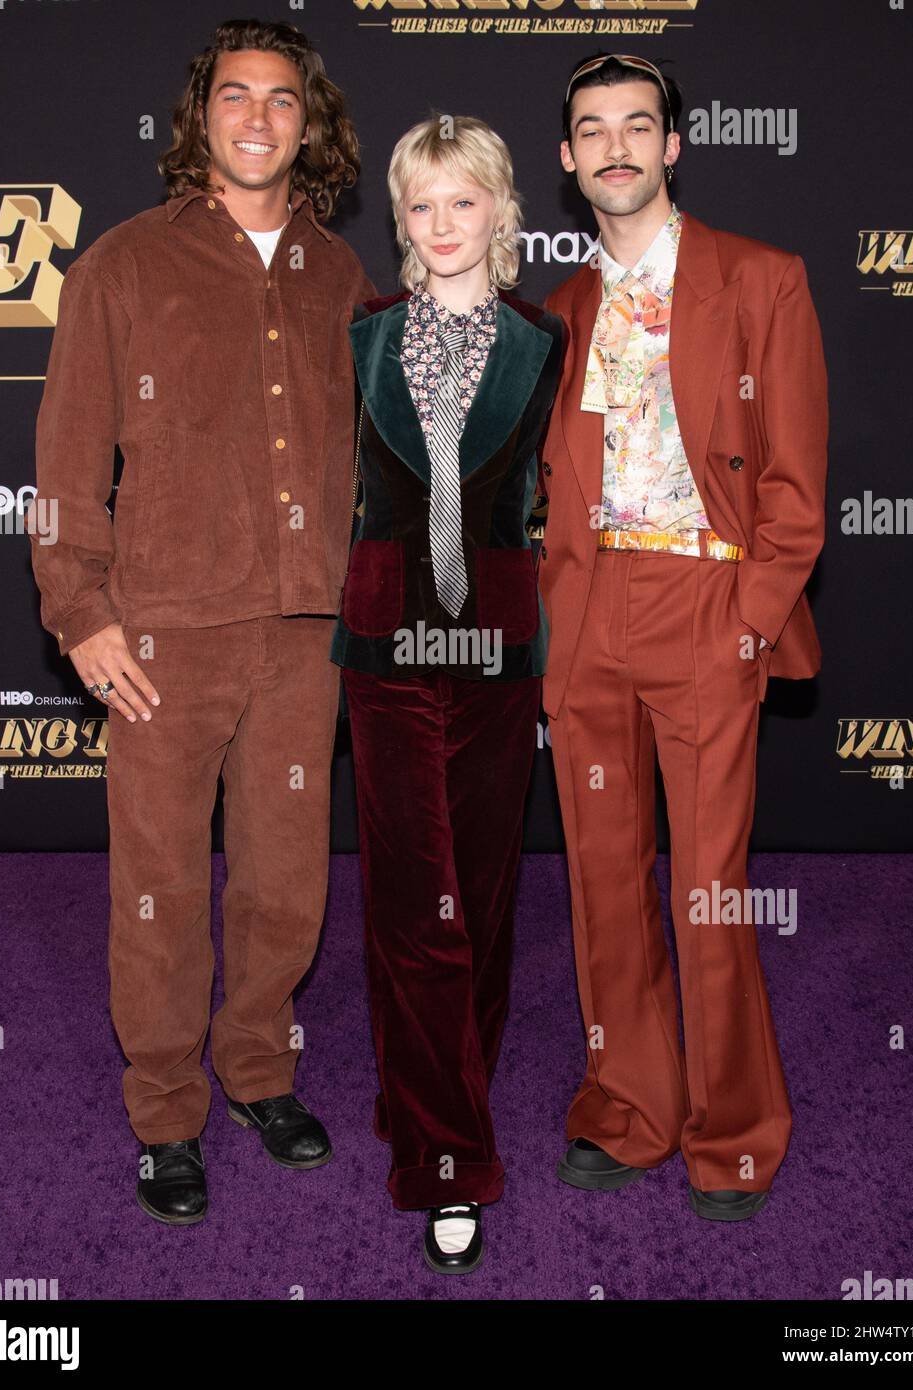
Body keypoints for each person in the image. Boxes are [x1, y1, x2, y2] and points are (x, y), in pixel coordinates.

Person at [28, 19, 376, 1225]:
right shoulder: (120, 266)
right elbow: (68, 461)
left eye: (284, 101)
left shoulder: (344, 280)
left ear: (308, 126)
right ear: (201, 118)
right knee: (162, 885)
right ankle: (167, 1110)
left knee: (284, 883)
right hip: (163, 636)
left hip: (303, 636)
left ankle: (259, 1071)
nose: (258, 118)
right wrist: (81, 611)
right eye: (236, 96)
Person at [538, 55, 827, 1220]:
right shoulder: (555, 313)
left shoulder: (762, 280)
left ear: (673, 146)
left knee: (707, 890)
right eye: (592, 130)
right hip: (590, 613)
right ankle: (630, 1105)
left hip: (709, 610)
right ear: (565, 161)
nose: (615, 146)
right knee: (605, 883)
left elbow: (796, 492)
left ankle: (734, 1129)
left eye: (637, 126)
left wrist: (747, 629)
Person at [331, 115, 566, 1272]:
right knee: (412, 896)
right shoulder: (363, 333)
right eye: (420, 204)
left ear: (499, 210)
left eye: (461, 201)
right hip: (385, 644)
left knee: (478, 895)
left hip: (494, 646)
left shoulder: (544, 338)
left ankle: (423, 1083)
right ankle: (446, 1159)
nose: (441, 224)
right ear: (403, 220)